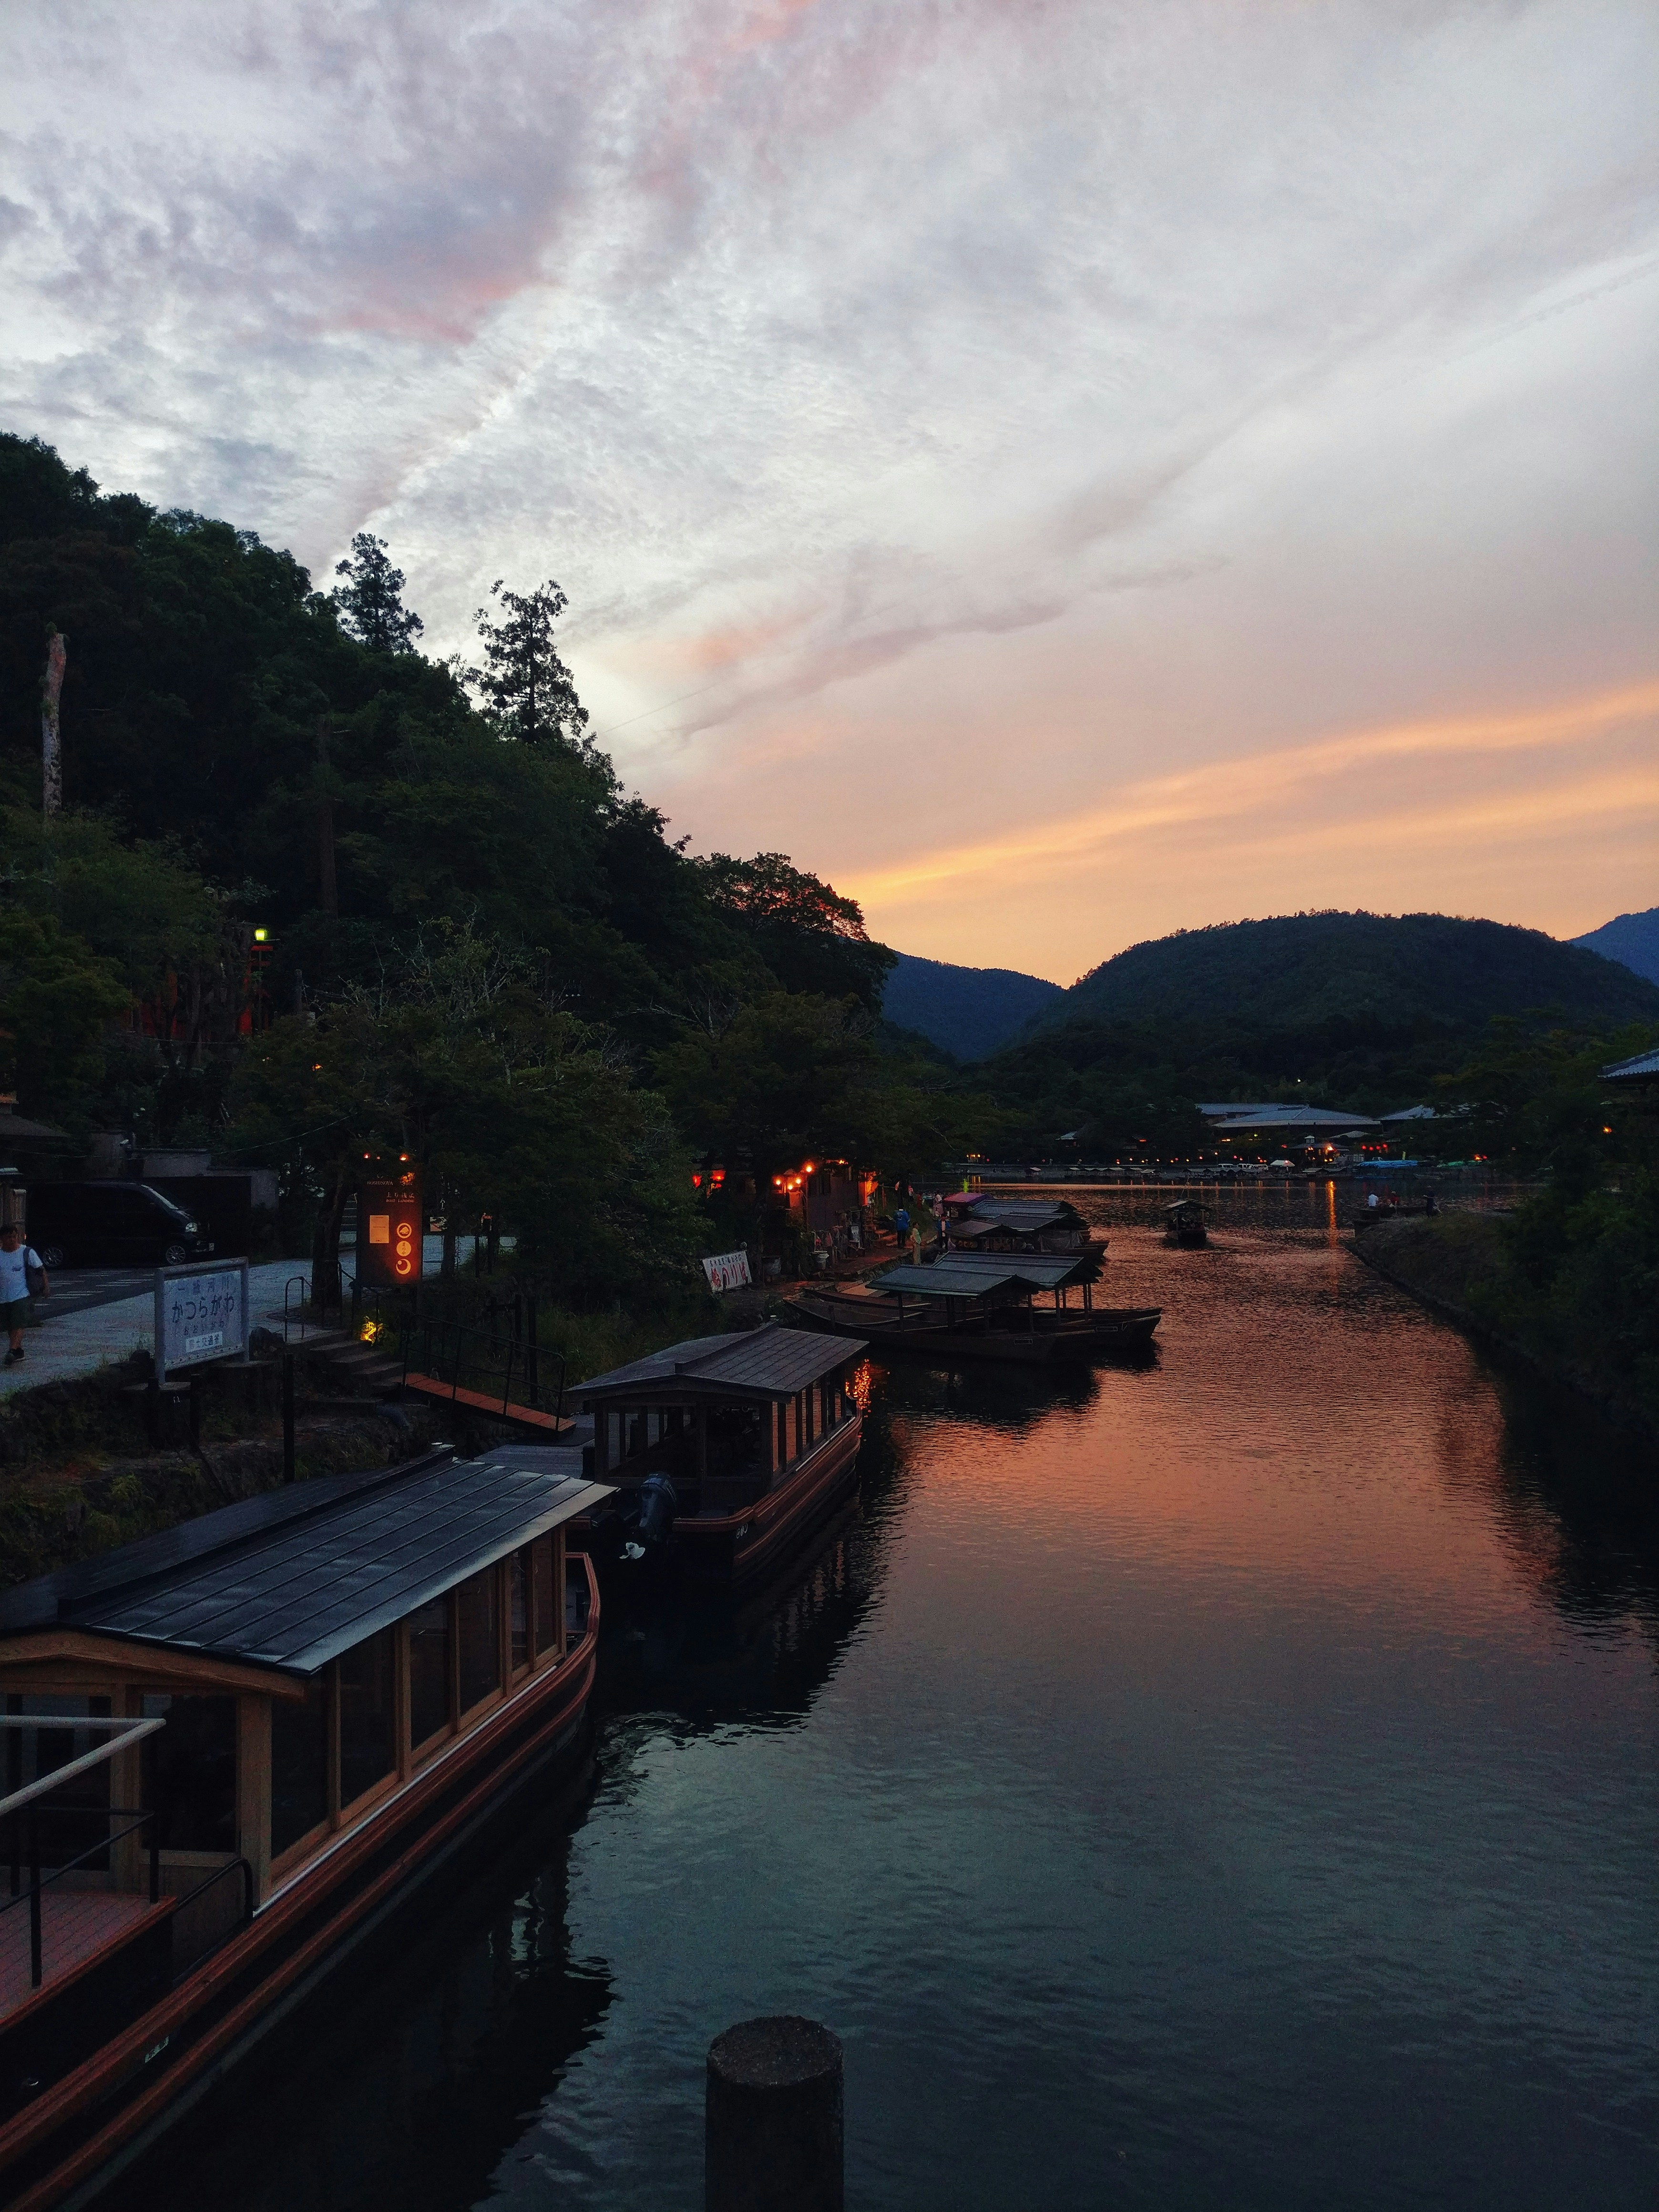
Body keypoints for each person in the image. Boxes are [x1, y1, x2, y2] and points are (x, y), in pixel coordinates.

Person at [0, 1222, 48, 1364]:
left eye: (15, 1237)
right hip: (3, 1297)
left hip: (22, 1295)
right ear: (2, 1239)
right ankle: (18, 1351)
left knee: (19, 1323)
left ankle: (12, 1350)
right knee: (10, 1325)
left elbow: (41, 1270)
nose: (13, 1240)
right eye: (9, 1237)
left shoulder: (26, 1252)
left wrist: (46, 1287)